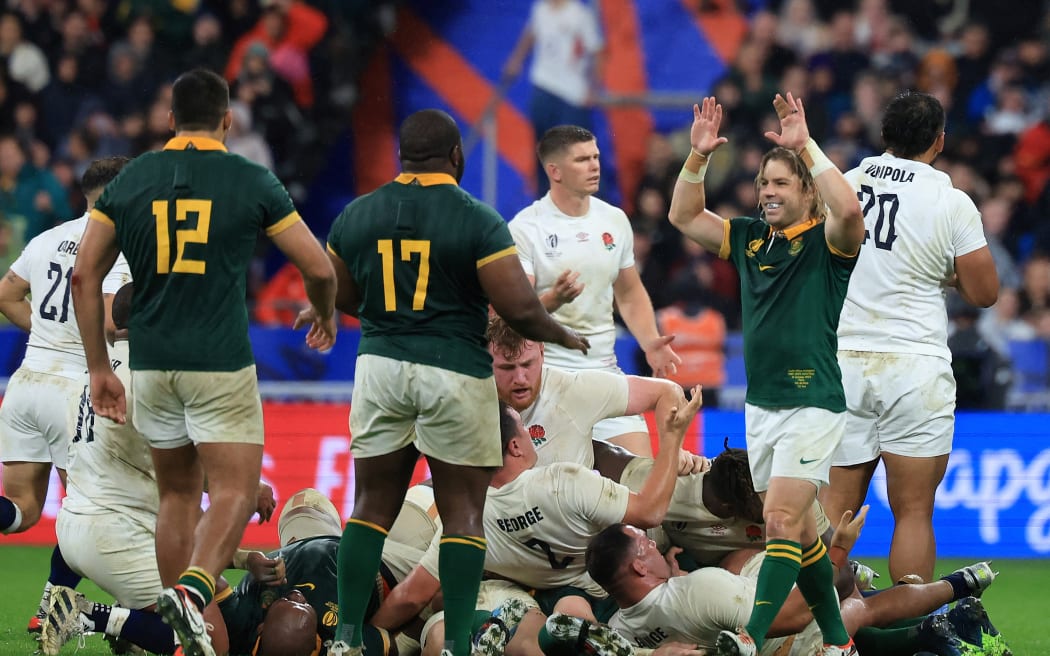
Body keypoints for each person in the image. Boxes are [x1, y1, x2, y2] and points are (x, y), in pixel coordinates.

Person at [71, 68, 337, 656]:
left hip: (153, 363)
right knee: (237, 492)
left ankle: (185, 627)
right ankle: (193, 593)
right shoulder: (250, 178)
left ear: (169, 120)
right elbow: (317, 266)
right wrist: (324, 311)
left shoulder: (132, 178)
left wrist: (98, 367)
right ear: (227, 121)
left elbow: (85, 274)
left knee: (177, 497)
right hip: (218, 359)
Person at [320, 108, 588, 656]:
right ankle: (459, 646)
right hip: (454, 368)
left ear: (402, 156)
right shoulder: (475, 217)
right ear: (457, 156)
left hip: (380, 365)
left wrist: (382, 317)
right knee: (464, 512)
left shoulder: (357, 214)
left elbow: (336, 290)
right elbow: (516, 307)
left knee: (371, 504)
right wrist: (560, 332)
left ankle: (347, 636)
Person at [666, 93, 866, 656]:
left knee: (778, 517)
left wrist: (806, 145)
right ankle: (837, 643)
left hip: (814, 401)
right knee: (799, 533)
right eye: (763, 184)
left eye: (782, 183)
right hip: (763, 405)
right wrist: (698, 158)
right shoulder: (750, 239)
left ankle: (749, 638)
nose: (769, 192)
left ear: (806, 192)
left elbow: (849, 213)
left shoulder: (829, 245)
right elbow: (683, 215)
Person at [43, 282, 278, 656]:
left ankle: (129, 630)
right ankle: (89, 616)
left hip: (81, 523)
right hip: (119, 536)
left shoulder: (92, 374)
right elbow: (188, 477)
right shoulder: (150, 379)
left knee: (206, 593)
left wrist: (243, 558)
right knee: (211, 646)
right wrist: (248, 488)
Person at [827, 91, 1000, 583]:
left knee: (833, 510)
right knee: (914, 511)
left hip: (843, 359)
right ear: (940, 141)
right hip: (914, 365)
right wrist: (944, 274)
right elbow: (985, 293)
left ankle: (817, 634)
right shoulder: (951, 202)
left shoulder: (845, 185)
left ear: (884, 136)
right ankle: (908, 632)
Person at [0, 156, 131, 633]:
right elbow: (115, 320)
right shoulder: (119, 248)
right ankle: (51, 609)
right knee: (89, 507)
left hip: (24, 387)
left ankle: (54, 606)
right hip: (73, 390)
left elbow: (5, 295)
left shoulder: (47, 238)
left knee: (24, 511)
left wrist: (48, 332)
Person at [510, 125, 681, 456]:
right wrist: (553, 300)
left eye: (596, 157)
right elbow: (516, 315)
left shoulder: (614, 220)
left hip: (604, 374)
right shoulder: (525, 228)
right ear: (554, 171)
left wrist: (650, 342)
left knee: (639, 486)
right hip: (549, 381)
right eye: (583, 159)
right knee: (555, 497)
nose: (594, 166)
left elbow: (629, 293)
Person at [587, 520, 998, 656]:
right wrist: (836, 553)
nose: (655, 545)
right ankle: (958, 588)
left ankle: (951, 596)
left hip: (762, 616)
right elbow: (797, 614)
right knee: (850, 607)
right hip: (786, 629)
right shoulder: (697, 590)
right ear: (641, 566)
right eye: (646, 545)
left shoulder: (622, 632)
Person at [487, 315, 706, 472]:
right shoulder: (464, 403)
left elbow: (667, 390)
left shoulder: (573, 389)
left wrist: (673, 450)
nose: (520, 378)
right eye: (507, 368)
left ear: (542, 353)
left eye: (527, 365)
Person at [502, 0, 605, 193]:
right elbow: (531, 34)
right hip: (543, 86)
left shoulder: (579, 14)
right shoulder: (540, 9)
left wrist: (593, 88)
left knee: (578, 151)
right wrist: (516, 60)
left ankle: (588, 203)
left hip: (571, 94)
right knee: (544, 149)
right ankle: (545, 198)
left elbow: (597, 50)